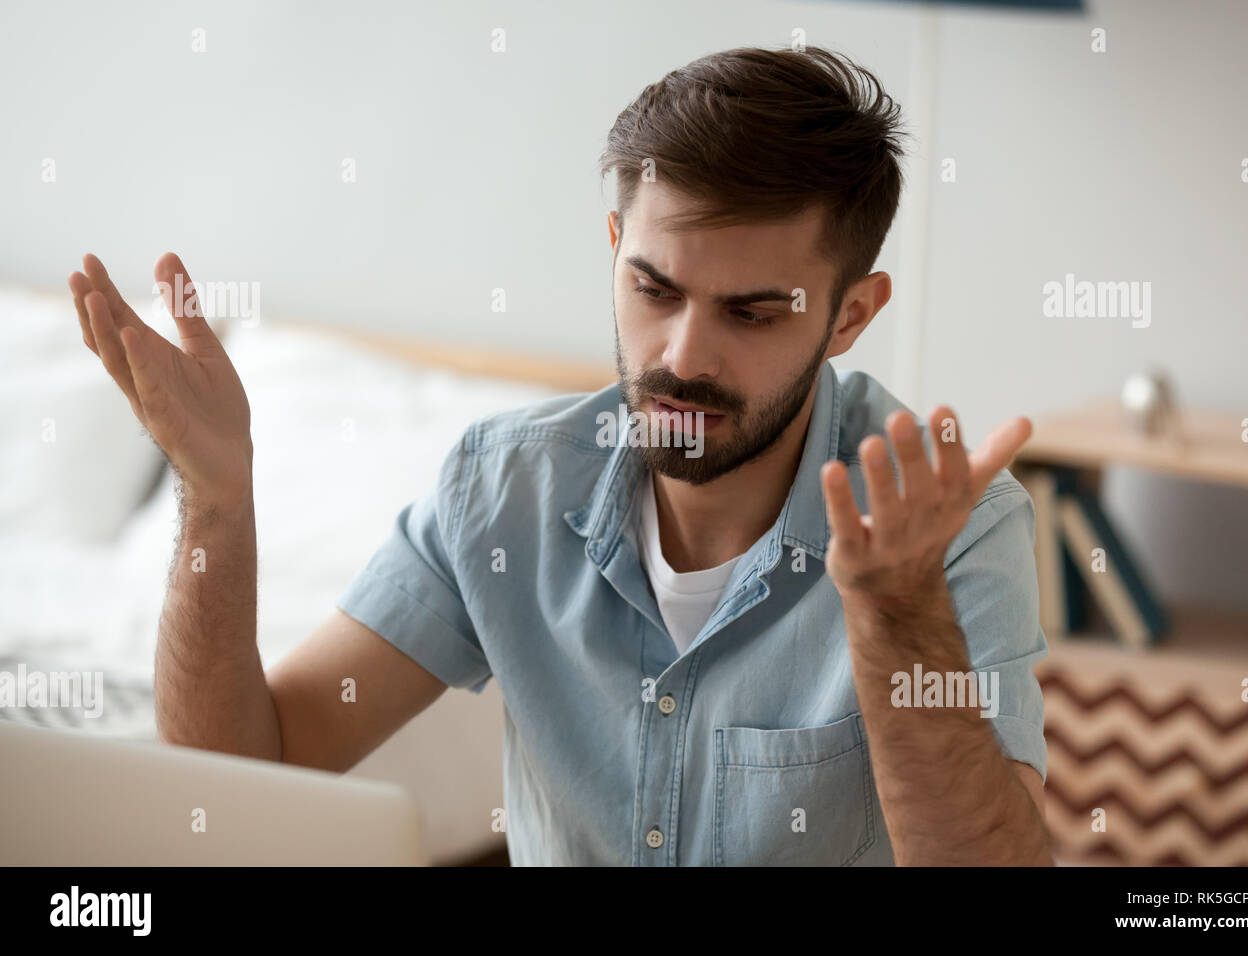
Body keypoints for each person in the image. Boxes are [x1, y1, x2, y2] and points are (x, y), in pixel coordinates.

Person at [67, 45, 1050, 866]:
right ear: (617, 244)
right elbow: (241, 765)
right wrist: (213, 493)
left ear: (850, 315)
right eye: (654, 289)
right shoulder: (504, 490)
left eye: (751, 312)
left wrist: (895, 615)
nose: (682, 356)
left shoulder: (951, 529)